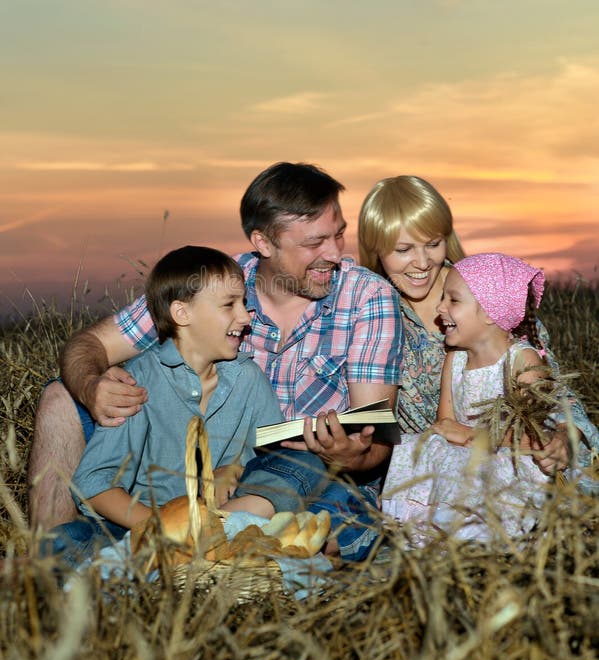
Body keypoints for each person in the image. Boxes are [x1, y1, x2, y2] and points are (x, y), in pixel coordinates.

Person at [29, 163, 403, 561]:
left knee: (317, 493)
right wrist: (91, 388)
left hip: (301, 470)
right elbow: (90, 345)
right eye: (315, 243)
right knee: (59, 398)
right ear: (263, 242)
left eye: (339, 234)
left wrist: (350, 454)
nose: (335, 252)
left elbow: (375, 437)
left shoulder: (367, 297)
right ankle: (46, 569)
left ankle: (166, 550)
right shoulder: (213, 283)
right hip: (190, 463)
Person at [358, 175, 599, 483]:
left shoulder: (489, 295)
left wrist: (564, 437)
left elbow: (556, 396)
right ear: (376, 248)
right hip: (440, 475)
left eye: (433, 244)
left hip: (520, 462)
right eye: (403, 249)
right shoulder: (372, 314)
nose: (421, 262)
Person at [51, 246, 284, 564]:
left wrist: (237, 469)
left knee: (307, 469)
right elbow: (93, 482)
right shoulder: (139, 381)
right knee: (65, 542)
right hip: (142, 527)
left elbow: (277, 460)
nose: (245, 317)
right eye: (230, 304)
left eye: (243, 302)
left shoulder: (248, 378)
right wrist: (158, 528)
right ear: (181, 314)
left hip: (229, 523)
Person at [381, 253, 567, 544]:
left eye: (453, 300)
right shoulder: (454, 360)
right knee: (413, 445)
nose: (440, 308)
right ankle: (426, 530)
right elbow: (445, 422)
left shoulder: (522, 361)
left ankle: (477, 535)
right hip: (463, 451)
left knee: (468, 463)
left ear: (491, 311)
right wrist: (453, 434)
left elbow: (533, 439)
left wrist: (468, 436)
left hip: (504, 460)